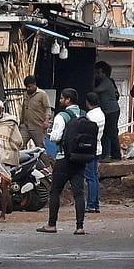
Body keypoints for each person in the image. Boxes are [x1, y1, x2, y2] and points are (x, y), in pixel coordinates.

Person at [37, 88, 88, 235]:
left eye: (61, 98)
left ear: (67, 100)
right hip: (80, 158)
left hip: (63, 158)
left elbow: (56, 137)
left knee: (55, 191)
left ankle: (51, 224)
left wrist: (50, 133)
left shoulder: (62, 116)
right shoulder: (84, 114)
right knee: (78, 193)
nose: (60, 101)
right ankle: (80, 226)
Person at [79, 92, 106, 214]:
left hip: (90, 148)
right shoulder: (101, 114)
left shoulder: (89, 116)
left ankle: (91, 204)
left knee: (90, 177)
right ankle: (95, 204)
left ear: (88, 102)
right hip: (98, 147)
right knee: (94, 177)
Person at [94, 62, 122, 159]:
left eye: (98, 72)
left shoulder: (106, 82)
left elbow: (96, 91)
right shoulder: (105, 82)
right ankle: (105, 154)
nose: (96, 75)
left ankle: (116, 155)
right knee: (105, 133)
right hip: (106, 111)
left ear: (104, 73)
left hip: (111, 111)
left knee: (112, 133)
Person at [21, 76, 52, 153]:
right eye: (26, 87)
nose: (28, 89)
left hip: (38, 126)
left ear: (35, 84)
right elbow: (23, 110)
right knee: (19, 144)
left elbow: (47, 108)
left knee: (41, 148)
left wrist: (46, 120)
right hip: (26, 126)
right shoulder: (25, 94)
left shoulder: (42, 94)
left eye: (29, 87)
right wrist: (21, 123)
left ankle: (45, 164)